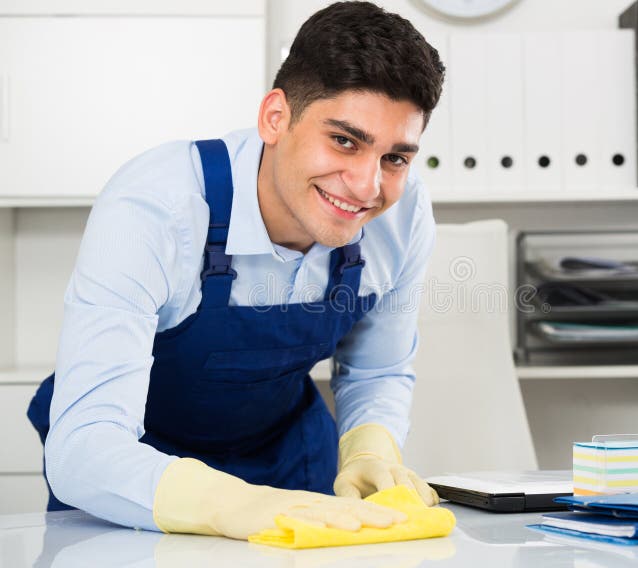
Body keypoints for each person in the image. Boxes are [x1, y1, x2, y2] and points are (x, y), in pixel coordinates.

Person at [26, 1, 445, 540]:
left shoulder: (402, 216)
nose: (367, 186)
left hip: (292, 471)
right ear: (276, 117)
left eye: (396, 158)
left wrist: (370, 444)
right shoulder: (157, 207)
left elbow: (376, 370)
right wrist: (230, 504)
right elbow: (84, 446)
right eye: (344, 140)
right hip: (135, 486)